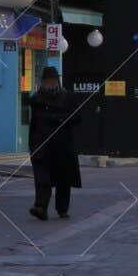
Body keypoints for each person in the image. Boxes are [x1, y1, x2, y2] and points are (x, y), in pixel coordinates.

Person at [28, 66, 82, 220]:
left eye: (52, 81)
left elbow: (77, 118)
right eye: (46, 81)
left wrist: (59, 119)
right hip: (41, 144)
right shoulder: (36, 99)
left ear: (57, 81)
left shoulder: (68, 98)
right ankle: (40, 207)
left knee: (63, 179)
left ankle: (62, 209)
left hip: (62, 146)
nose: (49, 84)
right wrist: (32, 144)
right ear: (42, 82)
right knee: (42, 178)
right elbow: (34, 123)